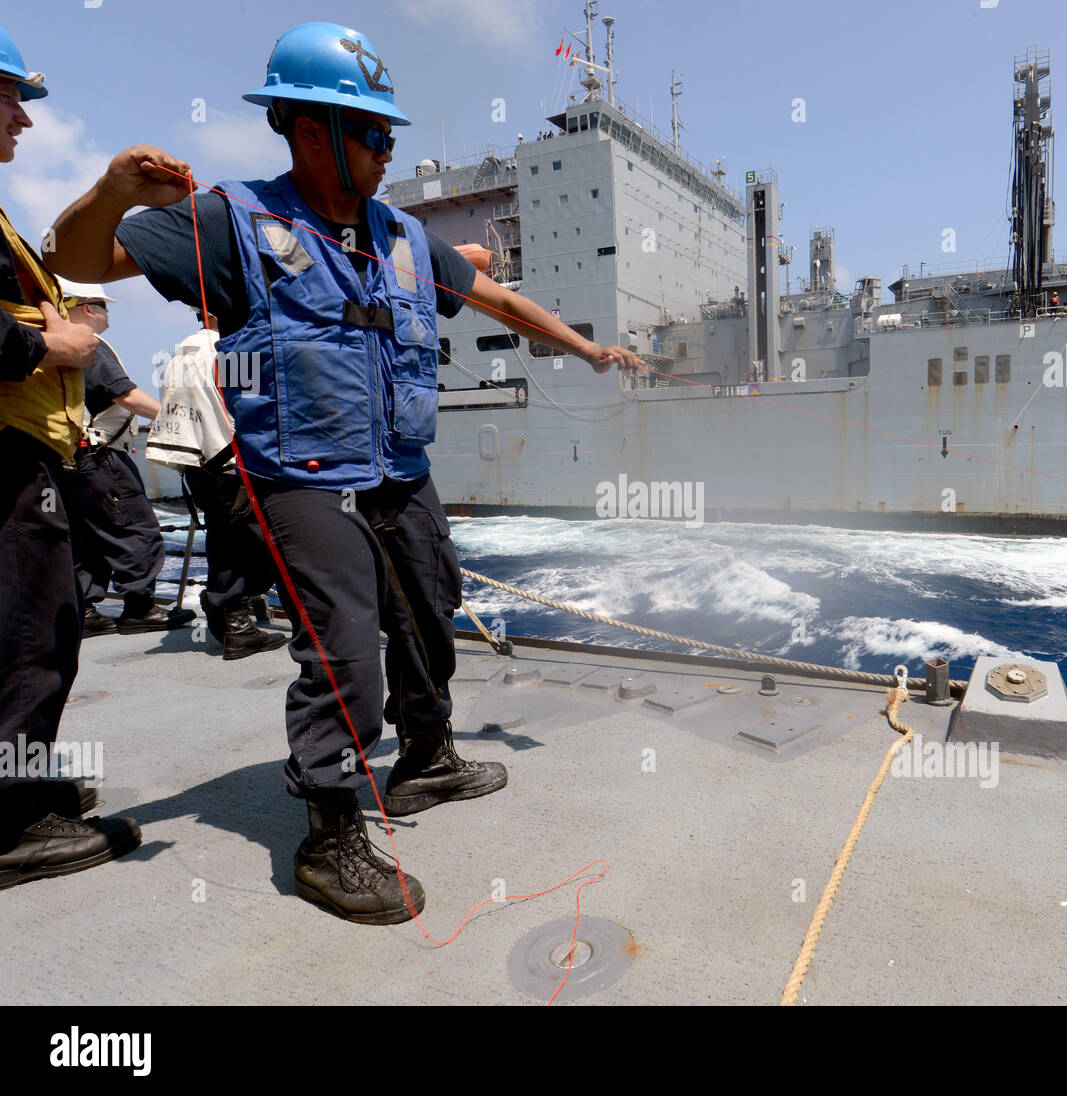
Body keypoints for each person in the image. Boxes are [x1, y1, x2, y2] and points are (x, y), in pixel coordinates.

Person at [48, 21, 641, 923]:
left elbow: (503, 300)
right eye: (371, 130)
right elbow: (77, 260)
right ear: (307, 129)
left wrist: (590, 349)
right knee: (341, 650)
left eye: (386, 131)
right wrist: (112, 191)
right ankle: (329, 835)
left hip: (398, 469)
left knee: (430, 614)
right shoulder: (231, 221)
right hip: (301, 478)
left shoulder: (403, 235)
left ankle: (426, 760)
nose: (387, 145)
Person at [0, 27, 141, 889]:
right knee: (32, 635)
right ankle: (14, 825)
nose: (23, 117)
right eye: (9, 95)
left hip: (28, 450)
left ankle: (17, 780)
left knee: (34, 625)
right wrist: (48, 345)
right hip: (9, 454)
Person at [59, 277, 196, 636]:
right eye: (104, 306)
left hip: (74, 459)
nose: (107, 314)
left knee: (88, 533)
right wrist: (177, 415)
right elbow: (126, 395)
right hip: (102, 457)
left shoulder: (58, 345)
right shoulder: (88, 343)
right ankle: (140, 607)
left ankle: (86, 610)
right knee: (136, 526)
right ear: (89, 308)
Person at [147, 310, 286, 659]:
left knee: (225, 541)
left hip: (200, 465)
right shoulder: (233, 349)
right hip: (235, 464)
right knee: (274, 544)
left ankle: (229, 622)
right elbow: (253, 411)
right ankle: (237, 620)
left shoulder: (181, 353)